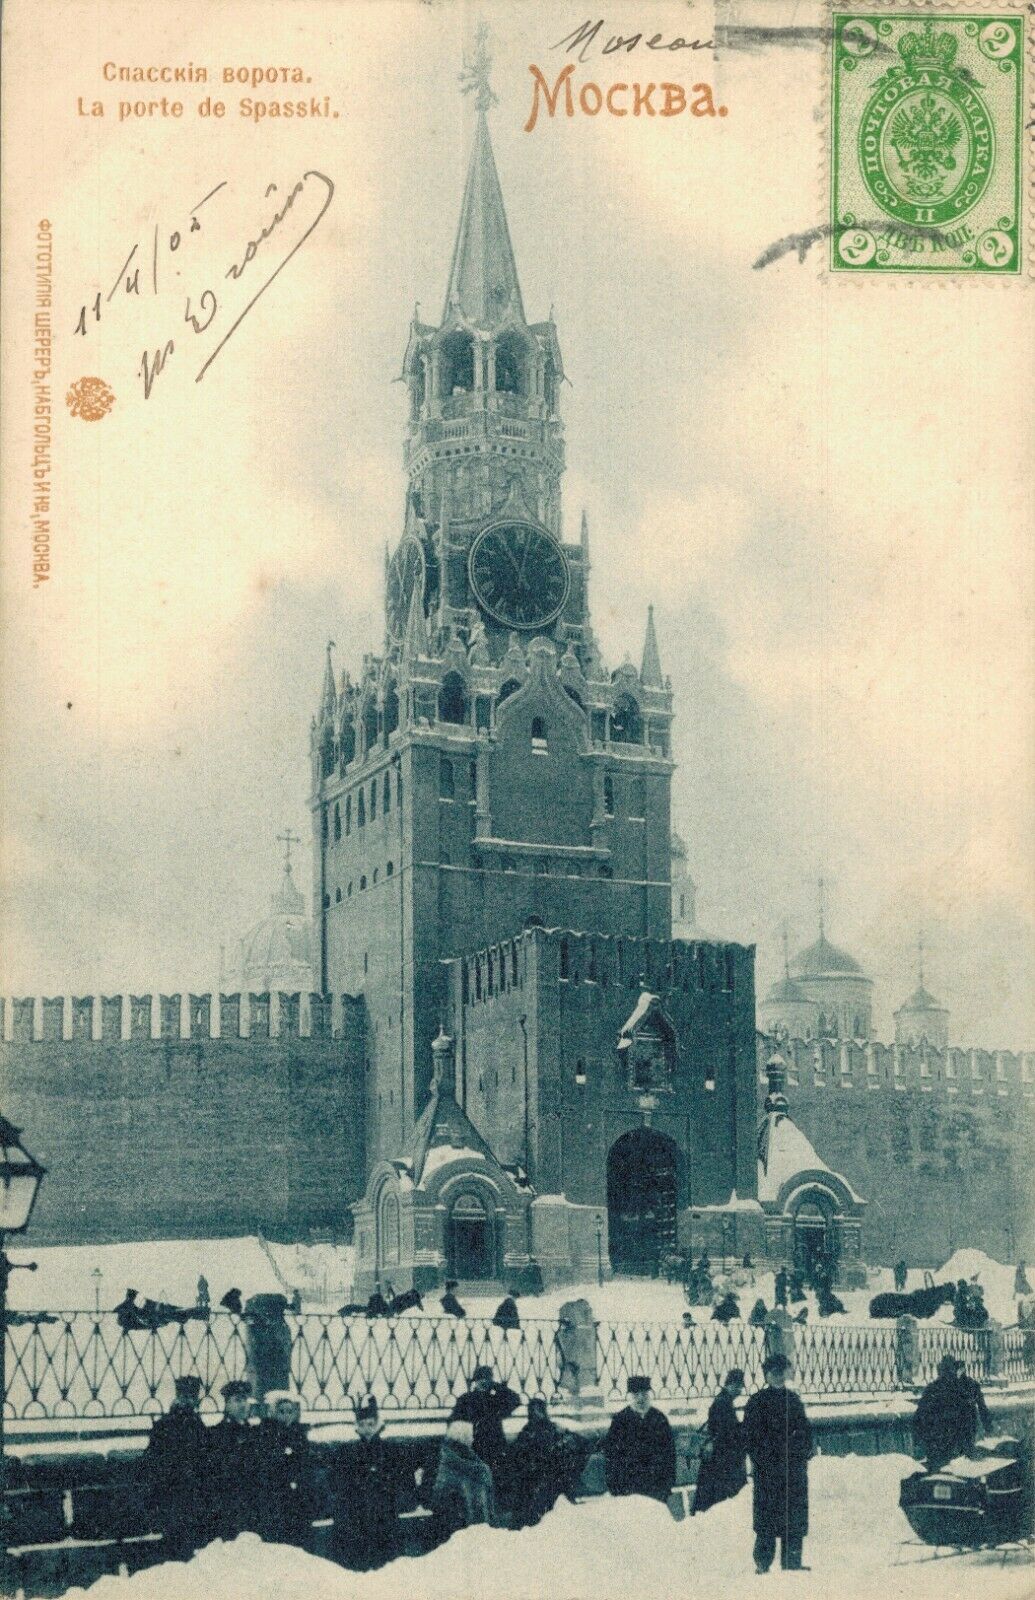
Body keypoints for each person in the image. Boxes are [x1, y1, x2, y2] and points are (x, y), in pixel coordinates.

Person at [743, 1353, 812, 1573]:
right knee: (767, 1520)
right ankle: (763, 1564)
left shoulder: (793, 1400)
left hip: (793, 1470)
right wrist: (764, 1459)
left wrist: (802, 1452)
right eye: (774, 1373)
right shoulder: (756, 1402)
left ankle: (792, 1562)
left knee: (794, 1518)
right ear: (766, 1375)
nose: (778, 1376)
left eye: (782, 1372)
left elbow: (804, 1431)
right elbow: (751, 1437)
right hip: (768, 1471)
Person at [331, 1396, 407, 1571]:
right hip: (357, 1513)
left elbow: (399, 1478)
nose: (367, 1429)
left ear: (378, 1425)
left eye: (371, 1424)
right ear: (357, 1427)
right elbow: (340, 1481)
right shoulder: (348, 1452)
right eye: (363, 1425)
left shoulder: (389, 1450)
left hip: (383, 1511)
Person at [141, 1374, 211, 1560]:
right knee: (175, 1543)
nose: (188, 1401)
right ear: (177, 1397)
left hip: (192, 1496)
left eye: (192, 1397)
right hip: (171, 1494)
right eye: (184, 1396)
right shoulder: (165, 1425)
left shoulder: (197, 1424)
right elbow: (153, 1461)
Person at [508, 1398, 587, 1529]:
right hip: (536, 1474)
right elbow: (519, 1454)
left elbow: (580, 1442)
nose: (537, 1414)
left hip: (552, 1473)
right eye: (533, 1411)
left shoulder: (553, 1427)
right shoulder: (528, 1431)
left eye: (539, 1410)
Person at [254, 1392, 316, 1548]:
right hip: (277, 1495)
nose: (286, 1416)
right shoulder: (268, 1435)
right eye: (281, 1411)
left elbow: (305, 1464)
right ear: (274, 1413)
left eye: (290, 1411)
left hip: (297, 1497)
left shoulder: (300, 1435)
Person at [602, 1376, 676, 1503]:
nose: (641, 1398)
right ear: (629, 1396)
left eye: (644, 1394)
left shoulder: (659, 1419)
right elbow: (612, 1457)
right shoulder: (620, 1420)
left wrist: (667, 1485)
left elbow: (669, 1454)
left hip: (656, 1488)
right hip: (629, 1489)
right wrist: (616, 1489)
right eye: (636, 1394)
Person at [452, 1365, 520, 1498]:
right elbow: (456, 1421)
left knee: (497, 1478)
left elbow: (516, 1399)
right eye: (480, 1379)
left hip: (495, 1443)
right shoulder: (466, 1399)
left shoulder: (495, 1399)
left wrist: (496, 1386)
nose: (483, 1382)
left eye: (486, 1379)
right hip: (474, 1444)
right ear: (475, 1382)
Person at [913, 1356, 988, 1468]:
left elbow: (919, 1418)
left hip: (936, 1445)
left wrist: (920, 1442)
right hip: (956, 1448)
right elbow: (970, 1421)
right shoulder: (963, 1391)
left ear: (939, 1370)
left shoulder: (931, 1389)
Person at [429, 1418, 496, 1541]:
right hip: (464, 1531)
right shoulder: (471, 1466)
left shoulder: (447, 1462)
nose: (472, 1439)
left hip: (460, 1530)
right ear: (462, 1438)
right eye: (470, 1435)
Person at [207, 1379, 257, 1541]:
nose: (242, 1405)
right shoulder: (216, 1434)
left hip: (252, 1507)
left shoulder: (255, 1433)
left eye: (245, 1400)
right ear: (226, 1404)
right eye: (237, 1400)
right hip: (227, 1507)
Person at [692, 1368, 746, 1515]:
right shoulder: (724, 1402)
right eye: (740, 1387)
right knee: (718, 1501)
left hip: (718, 1458)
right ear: (733, 1384)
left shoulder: (722, 1400)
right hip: (722, 1460)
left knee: (712, 1498)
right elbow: (727, 1431)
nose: (740, 1390)